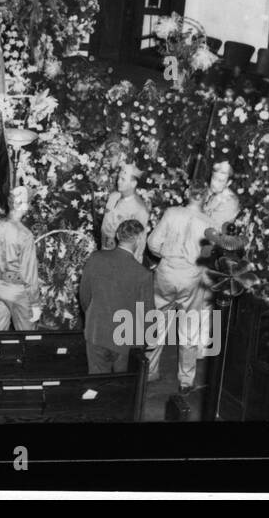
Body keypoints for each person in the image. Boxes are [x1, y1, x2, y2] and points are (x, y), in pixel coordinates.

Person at [145, 183, 220, 390]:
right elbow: (209, 257)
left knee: (157, 322)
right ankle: (186, 380)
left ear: (187, 194)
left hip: (166, 272)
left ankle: (150, 371)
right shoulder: (209, 223)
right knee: (189, 329)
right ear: (205, 199)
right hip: (191, 277)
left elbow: (152, 243)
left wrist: (167, 256)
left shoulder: (171, 213)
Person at [80, 219, 153, 373]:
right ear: (139, 239)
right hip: (125, 340)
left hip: (96, 332)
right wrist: (143, 343)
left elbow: (84, 295)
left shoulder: (96, 258)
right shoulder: (143, 274)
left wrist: (92, 316)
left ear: (118, 235)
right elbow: (146, 314)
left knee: (97, 385)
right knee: (122, 386)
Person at [0, 186, 41, 331]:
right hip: (18, 291)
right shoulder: (25, 234)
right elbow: (29, 274)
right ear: (24, 206)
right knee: (27, 336)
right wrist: (35, 303)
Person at [101, 162, 151, 262]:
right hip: (104, 252)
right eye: (119, 178)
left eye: (123, 179)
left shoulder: (140, 209)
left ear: (133, 183)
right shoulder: (113, 197)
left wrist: (134, 266)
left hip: (121, 261)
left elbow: (140, 242)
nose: (118, 182)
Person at [201, 159, 241, 233]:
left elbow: (212, 227)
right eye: (214, 178)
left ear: (228, 183)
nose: (214, 184)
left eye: (220, 181)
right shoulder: (206, 190)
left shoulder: (230, 201)